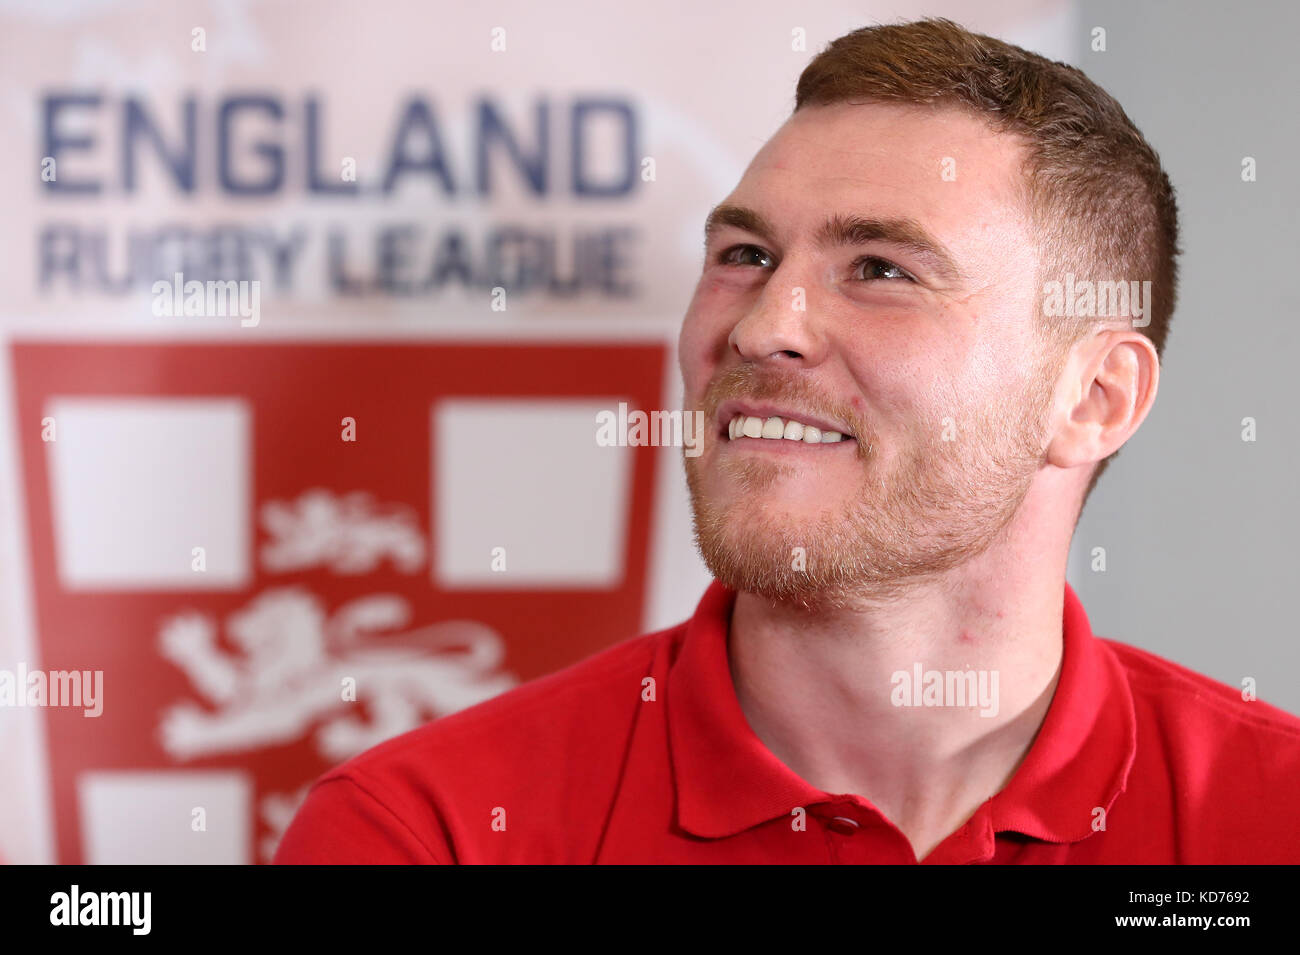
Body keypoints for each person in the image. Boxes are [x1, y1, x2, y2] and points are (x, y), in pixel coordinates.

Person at [274, 18, 1300, 864]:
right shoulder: (426, 833)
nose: (762, 326)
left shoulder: (1269, 821)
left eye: (881, 269)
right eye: (745, 254)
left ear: (1093, 398)